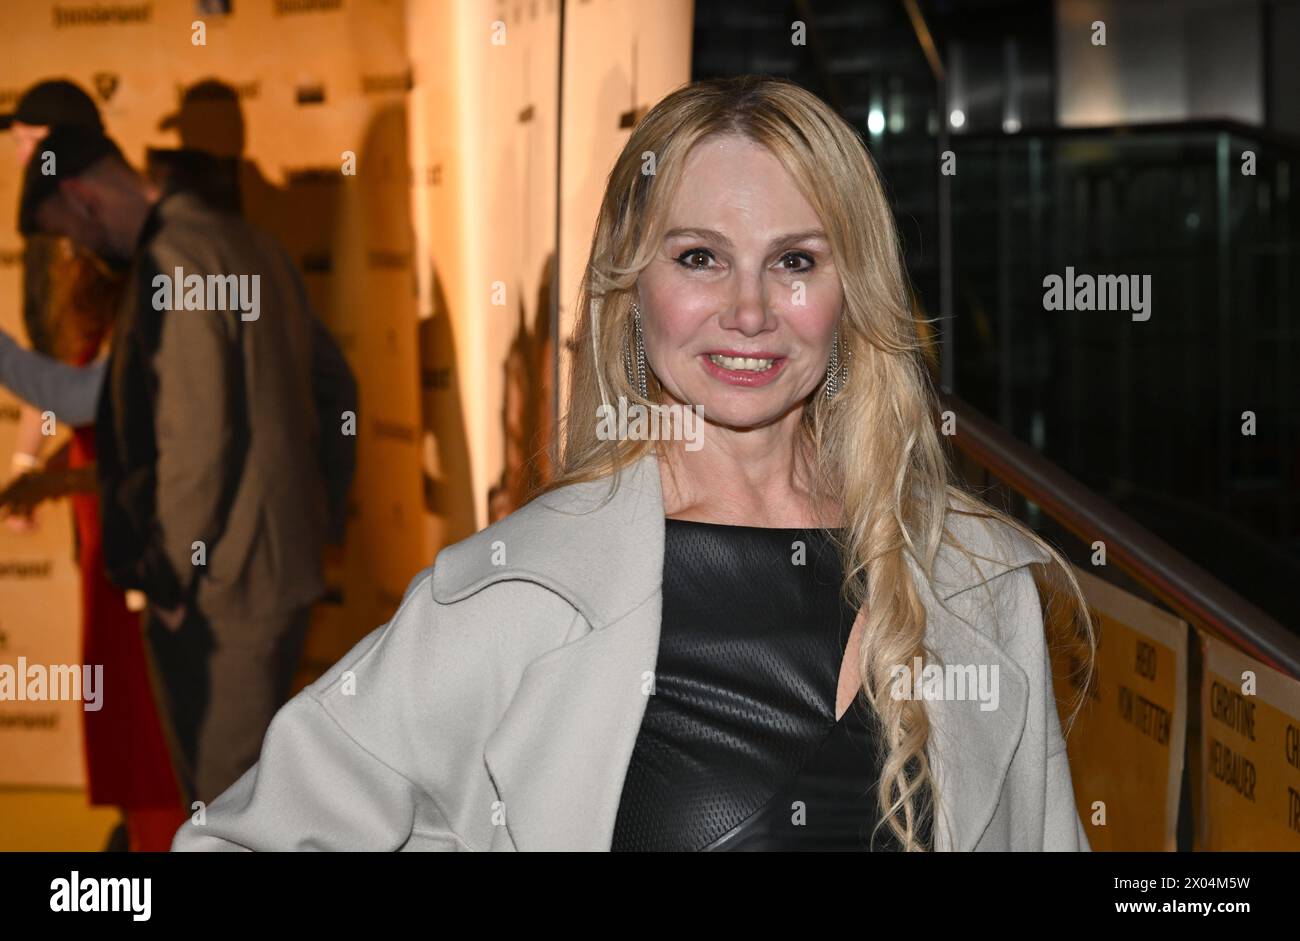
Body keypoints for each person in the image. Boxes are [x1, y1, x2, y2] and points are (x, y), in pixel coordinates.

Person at [171, 75, 1096, 852]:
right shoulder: (523, 593)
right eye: (700, 256)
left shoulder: (975, 579)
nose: (748, 310)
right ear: (630, 283)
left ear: (852, 288)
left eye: (796, 260)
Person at [14, 123, 345, 812]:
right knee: (250, 799)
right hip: (274, 574)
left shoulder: (172, 262)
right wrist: (323, 515)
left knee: (223, 809)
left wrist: (169, 574)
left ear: (83, 200)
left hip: (218, 594)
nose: (80, 252)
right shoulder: (256, 245)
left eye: (70, 234)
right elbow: (337, 385)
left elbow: (199, 438)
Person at [0, 78, 185, 851]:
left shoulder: (122, 248)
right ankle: (139, 823)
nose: (14, 147)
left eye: (25, 134)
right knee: (116, 671)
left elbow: (93, 387)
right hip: (98, 468)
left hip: (129, 476)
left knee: (138, 679)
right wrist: (26, 455)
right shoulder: (76, 238)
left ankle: (157, 829)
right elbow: (73, 375)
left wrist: (47, 466)